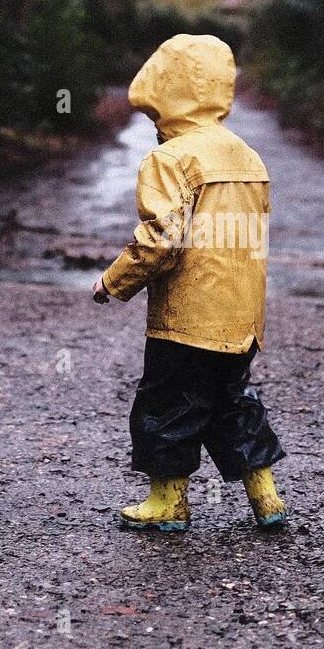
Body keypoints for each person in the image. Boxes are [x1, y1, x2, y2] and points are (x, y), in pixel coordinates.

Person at [93, 34, 288, 531]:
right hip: (241, 319)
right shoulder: (248, 157)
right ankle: (266, 498)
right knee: (232, 403)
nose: (155, 127)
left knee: (167, 405)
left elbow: (162, 239)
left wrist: (115, 282)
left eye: (155, 114)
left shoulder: (171, 159)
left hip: (186, 319)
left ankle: (168, 502)